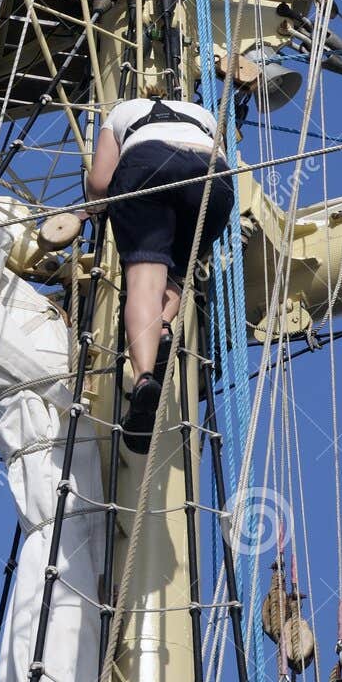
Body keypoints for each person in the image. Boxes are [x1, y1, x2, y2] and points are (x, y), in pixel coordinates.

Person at [85, 91, 234, 453]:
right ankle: (164, 327)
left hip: (147, 165)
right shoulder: (202, 112)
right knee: (176, 276)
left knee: (144, 281)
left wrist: (90, 207)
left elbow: (101, 185)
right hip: (212, 179)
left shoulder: (120, 111)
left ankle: (144, 380)